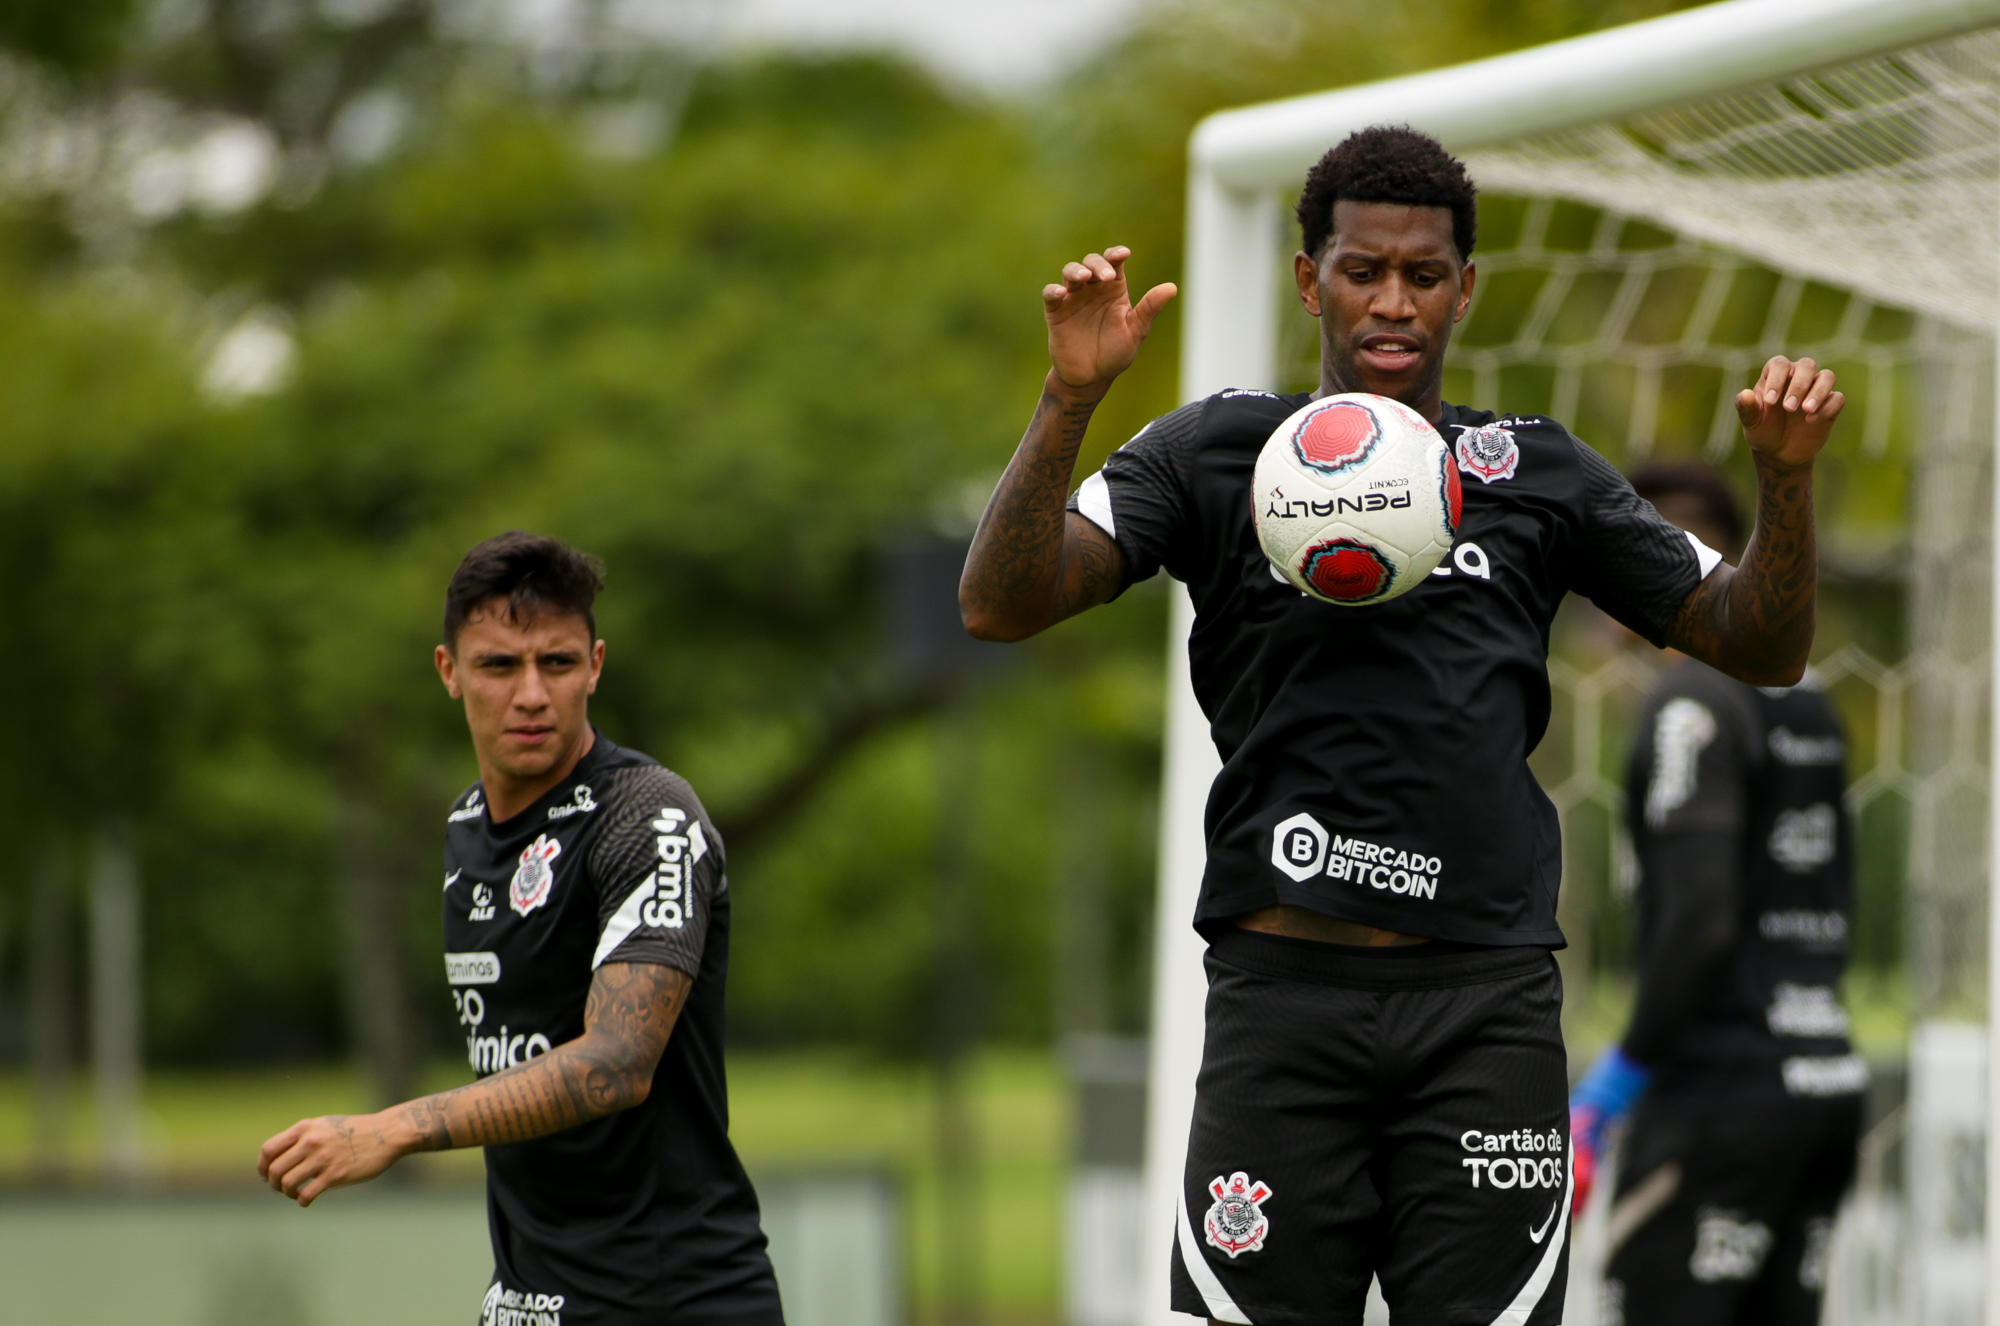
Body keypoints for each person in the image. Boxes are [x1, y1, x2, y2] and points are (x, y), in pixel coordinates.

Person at [959, 125, 1844, 1326]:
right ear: (1306, 278)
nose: (1391, 303)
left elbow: (1758, 644)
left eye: (1422, 275)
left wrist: (1783, 483)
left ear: (1463, 289)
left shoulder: (1534, 471)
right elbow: (999, 604)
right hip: (1281, 1007)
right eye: (1361, 270)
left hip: (1482, 1013)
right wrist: (1069, 397)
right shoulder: (1216, 450)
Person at [258, 532, 783, 1326]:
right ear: (449, 672)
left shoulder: (648, 816)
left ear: (595, 666)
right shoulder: (466, 825)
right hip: (527, 1300)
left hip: (669, 1299)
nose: (531, 694)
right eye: (500, 666)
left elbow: (616, 1064)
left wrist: (396, 1127)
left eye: (558, 663)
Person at [1570, 462, 1862, 1326]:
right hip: (1820, 1082)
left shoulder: (1690, 703)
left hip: (1717, 1098)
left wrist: (1612, 1087)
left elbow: (1700, 919)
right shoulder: (1809, 700)